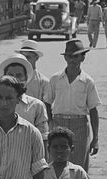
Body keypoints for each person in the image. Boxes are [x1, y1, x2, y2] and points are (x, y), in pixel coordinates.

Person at [43, 39, 101, 172]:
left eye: (76, 56)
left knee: (79, 164)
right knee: (55, 161)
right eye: (69, 56)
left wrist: (95, 138)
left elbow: (93, 110)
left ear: (83, 58)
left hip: (79, 124)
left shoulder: (87, 82)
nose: (72, 60)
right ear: (65, 58)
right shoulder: (55, 79)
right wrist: (50, 122)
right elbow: (47, 102)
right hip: (58, 122)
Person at [0, 54, 49, 136]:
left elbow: (43, 137)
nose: (14, 79)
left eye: (19, 75)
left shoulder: (37, 106)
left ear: (26, 78)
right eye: (10, 75)